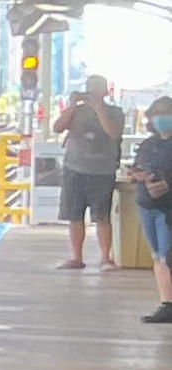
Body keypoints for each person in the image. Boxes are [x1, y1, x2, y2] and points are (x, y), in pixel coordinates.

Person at [56, 74, 126, 267]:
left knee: (102, 216)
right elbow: (58, 127)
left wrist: (98, 108)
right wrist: (72, 105)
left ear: (104, 92)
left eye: (96, 88)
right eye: (89, 88)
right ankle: (76, 257)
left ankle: (105, 257)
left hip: (102, 170)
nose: (92, 92)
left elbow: (113, 132)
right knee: (74, 215)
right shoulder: (76, 111)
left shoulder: (115, 112)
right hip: (74, 168)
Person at [136, 99, 172, 327]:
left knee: (168, 255)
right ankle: (166, 302)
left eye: (165, 114)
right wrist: (142, 175)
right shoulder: (148, 144)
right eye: (156, 114)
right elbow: (141, 165)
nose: (160, 119)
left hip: (168, 207)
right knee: (158, 255)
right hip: (147, 204)